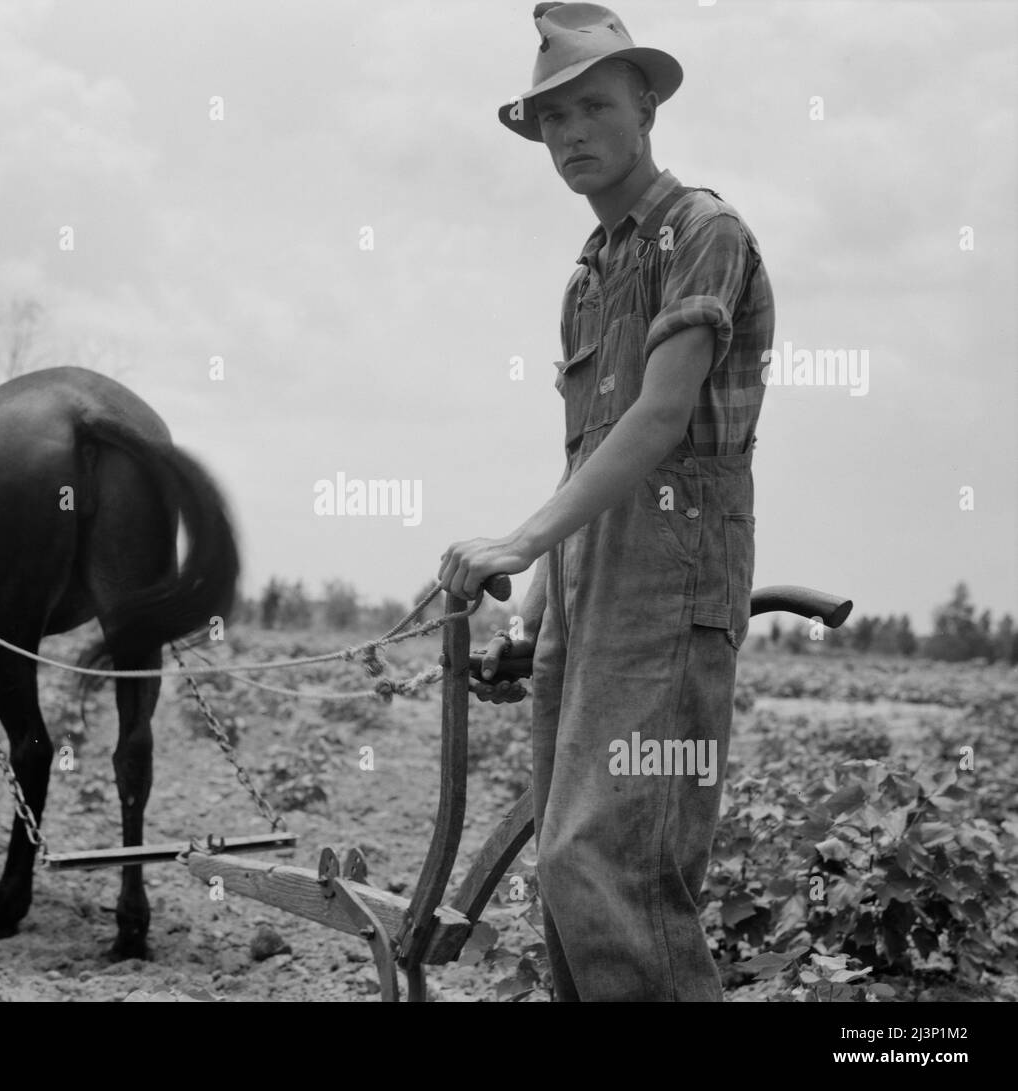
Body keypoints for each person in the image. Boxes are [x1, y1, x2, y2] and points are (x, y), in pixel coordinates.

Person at [436, 2, 774, 1001]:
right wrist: (535, 604)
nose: (571, 134)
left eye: (592, 108)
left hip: (672, 576)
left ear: (646, 108)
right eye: (552, 120)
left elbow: (659, 420)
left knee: (611, 859)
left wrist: (515, 538)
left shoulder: (700, 233)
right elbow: (587, 450)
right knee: (565, 873)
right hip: (588, 584)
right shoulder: (590, 274)